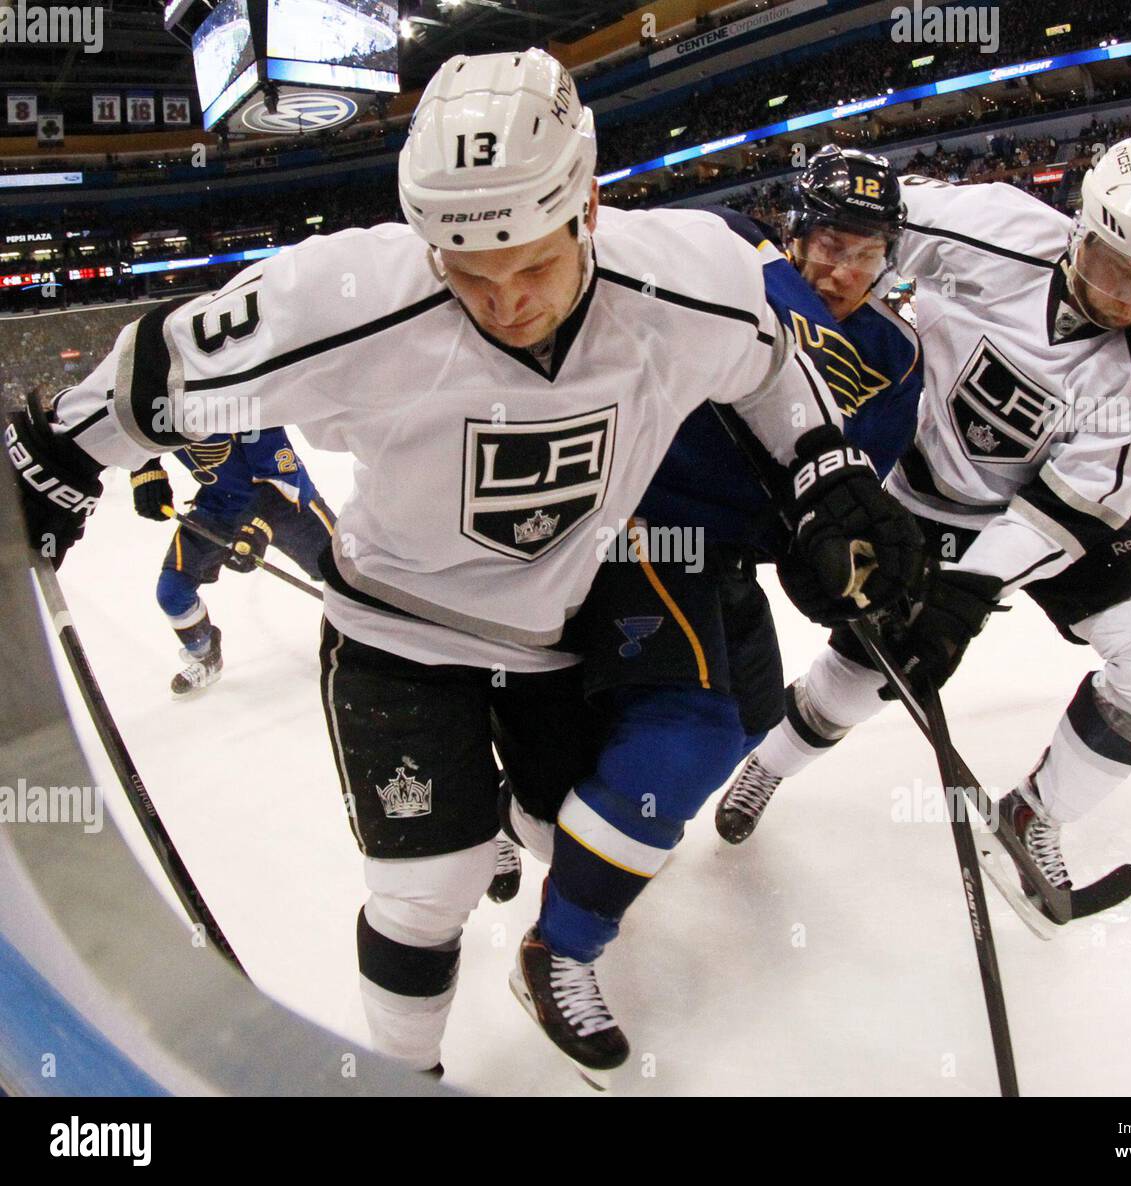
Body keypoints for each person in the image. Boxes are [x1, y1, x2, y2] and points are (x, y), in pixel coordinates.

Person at [5, 49, 921, 1079]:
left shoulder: (685, 275)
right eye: (468, 272)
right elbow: (161, 368)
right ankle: (408, 1073)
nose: (505, 303)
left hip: (549, 633)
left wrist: (826, 469)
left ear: (588, 205)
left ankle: (505, 844)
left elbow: (768, 366)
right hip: (394, 630)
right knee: (427, 891)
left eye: (532, 267)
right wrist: (55, 456)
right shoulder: (349, 295)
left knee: (560, 835)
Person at [495, 147, 924, 1075]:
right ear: (795, 231)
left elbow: (851, 488)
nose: (843, 270)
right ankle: (559, 948)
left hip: (725, 555)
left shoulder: (896, 357)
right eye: (830, 244)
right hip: (638, 518)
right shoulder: (726, 251)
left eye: (866, 253)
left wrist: (833, 559)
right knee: (688, 733)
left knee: (753, 718)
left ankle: (541, 809)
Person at [716, 137, 1131, 925]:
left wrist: (967, 596)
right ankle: (769, 765)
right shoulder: (996, 227)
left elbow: (1070, 507)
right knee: (859, 680)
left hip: (1047, 513)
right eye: (1118, 268)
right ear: (1081, 230)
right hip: (919, 493)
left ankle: (1036, 811)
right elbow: (871, 218)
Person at [128, 428, 335, 695]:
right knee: (171, 593)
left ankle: (375, 638)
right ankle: (205, 654)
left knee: (349, 577)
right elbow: (128, 425)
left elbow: (282, 477)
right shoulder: (161, 406)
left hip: (286, 506)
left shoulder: (244, 408)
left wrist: (255, 528)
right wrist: (145, 470)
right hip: (219, 508)